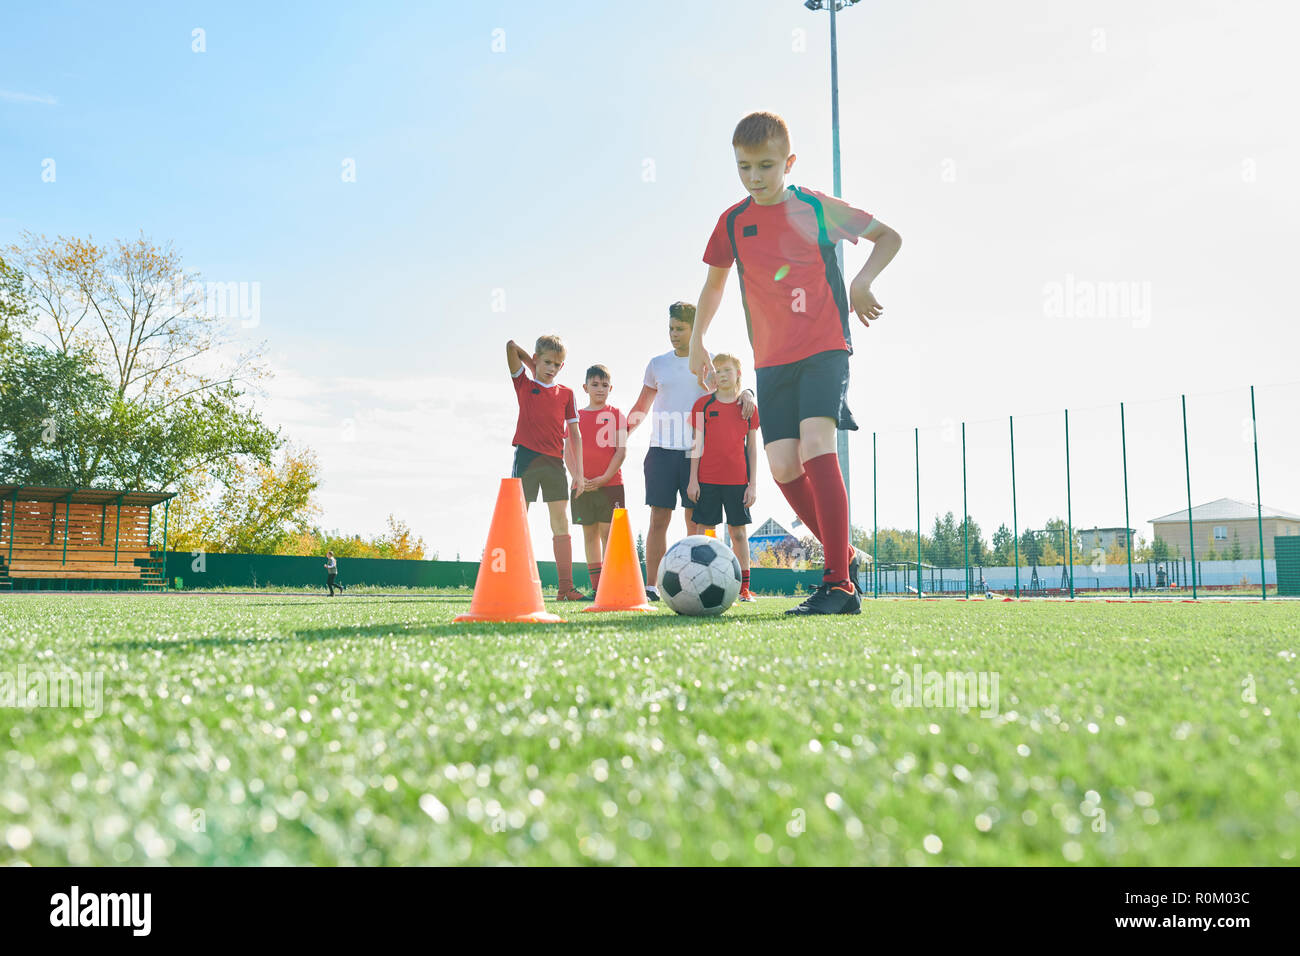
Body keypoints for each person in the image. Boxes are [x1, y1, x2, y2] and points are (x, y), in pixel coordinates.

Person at [688, 111, 902, 615]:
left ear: (789, 161)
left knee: (815, 445)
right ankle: (842, 554)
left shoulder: (814, 206)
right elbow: (715, 284)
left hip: (825, 345)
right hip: (771, 360)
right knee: (783, 465)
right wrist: (699, 338)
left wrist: (862, 281)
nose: (755, 177)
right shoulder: (733, 222)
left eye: (765, 165)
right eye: (744, 167)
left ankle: (839, 584)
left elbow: (889, 237)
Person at [626, 302, 755, 601]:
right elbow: (641, 405)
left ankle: (696, 581)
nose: (673, 334)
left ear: (695, 329)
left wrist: (749, 392)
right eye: (670, 328)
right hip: (661, 450)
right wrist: (620, 435)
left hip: (697, 455)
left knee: (695, 522)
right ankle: (651, 586)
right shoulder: (657, 364)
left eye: (680, 329)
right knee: (659, 518)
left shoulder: (708, 364)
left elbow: (730, 390)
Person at [506, 334, 587, 601]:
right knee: (519, 520)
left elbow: (575, 435)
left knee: (561, 522)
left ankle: (565, 588)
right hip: (527, 458)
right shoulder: (524, 386)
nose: (552, 368)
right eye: (547, 362)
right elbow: (510, 347)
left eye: (557, 364)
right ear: (537, 360)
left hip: (554, 463)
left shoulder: (567, 394)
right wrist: (532, 366)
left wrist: (579, 473)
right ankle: (514, 584)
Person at [686, 353, 759, 602]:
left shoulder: (747, 407)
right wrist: (693, 479)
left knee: (738, 533)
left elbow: (752, 448)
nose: (722, 374)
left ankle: (744, 588)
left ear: (738, 374)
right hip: (707, 479)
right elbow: (696, 444)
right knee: (704, 531)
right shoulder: (702, 405)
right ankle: (702, 581)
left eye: (727, 370)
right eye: (717, 370)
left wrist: (753, 484)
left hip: (738, 481)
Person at [571, 364, 628, 597]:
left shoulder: (617, 415)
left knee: (609, 534)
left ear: (611, 388)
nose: (600, 389)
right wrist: (578, 477)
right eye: (594, 385)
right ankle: (597, 588)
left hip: (611, 486)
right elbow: (568, 450)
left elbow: (621, 451)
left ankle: (610, 586)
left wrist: (605, 478)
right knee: (589, 534)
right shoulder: (576, 417)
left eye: (604, 385)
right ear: (585, 387)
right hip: (581, 486)